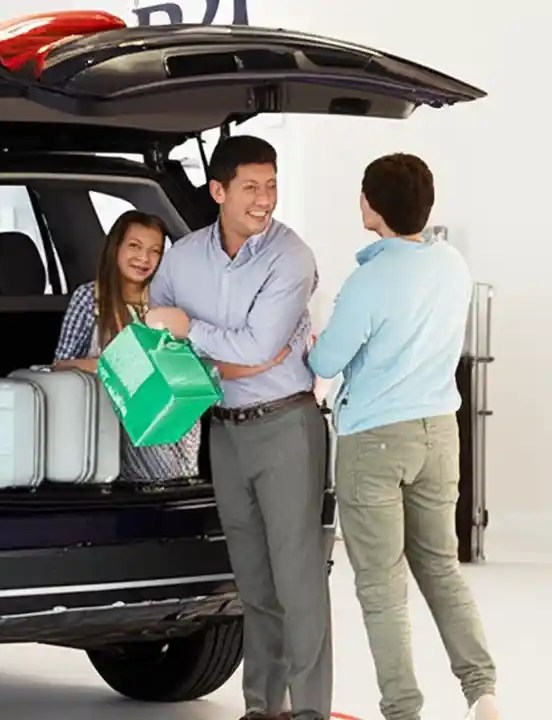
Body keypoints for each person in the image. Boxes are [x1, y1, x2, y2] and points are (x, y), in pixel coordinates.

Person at [144, 135, 332, 720]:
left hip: (286, 428)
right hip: (222, 430)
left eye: (271, 185)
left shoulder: (290, 257)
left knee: (299, 582)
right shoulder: (183, 257)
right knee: (252, 583)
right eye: (251, 186)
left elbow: (254, 344)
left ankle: (309, 713)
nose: (264, 199)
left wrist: (192, 332)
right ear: (218, 190)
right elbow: (156, 336)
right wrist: (226, 355)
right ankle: (261, 708)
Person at [307, 153, 499, 720]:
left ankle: (403, 710)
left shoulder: (369, 280)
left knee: (382, 586)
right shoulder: (452, 265)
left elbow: (326, 358)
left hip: (375, 441)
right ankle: (482, 693)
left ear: (371, 207)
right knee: (440, 567)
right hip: (441, 434)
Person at [52, 210, 287, 484]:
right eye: (134, 246)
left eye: (155, 251)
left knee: (172, 490)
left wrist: (265, 362)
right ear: (115, 247)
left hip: (172, 430)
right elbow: (59, 370)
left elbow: (206, 366)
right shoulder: (90, 299)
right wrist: (116, 368)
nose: (144, 258)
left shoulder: (172, 305)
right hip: (103, 433)